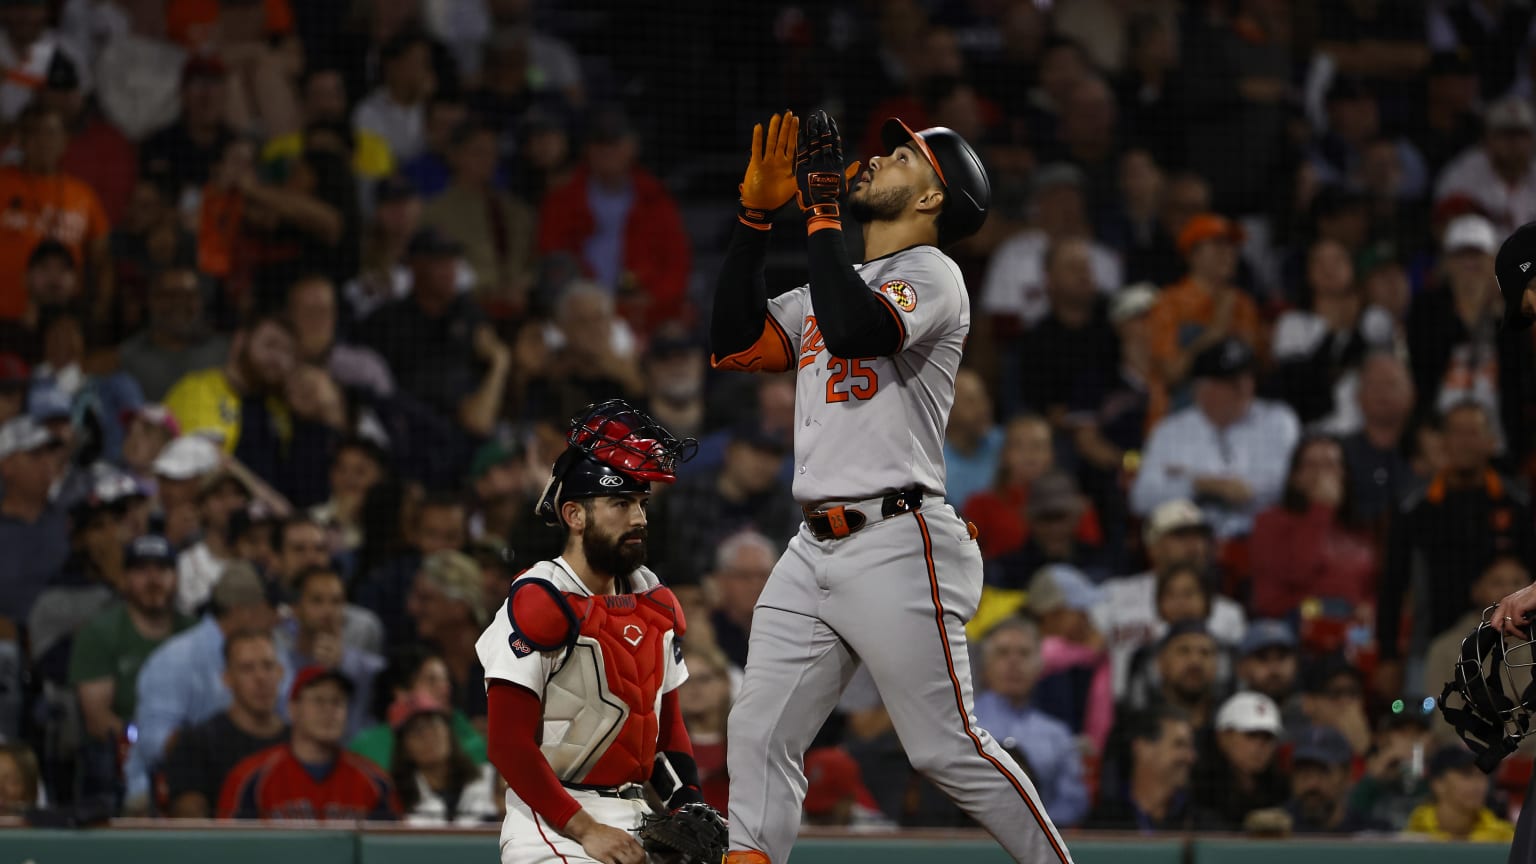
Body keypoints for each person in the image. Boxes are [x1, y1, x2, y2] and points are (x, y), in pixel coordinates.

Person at [709, 111, 1069, 863]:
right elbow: (735, 342)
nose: (878, 158)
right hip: (813, 549)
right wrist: (754, 217)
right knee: (758, 728)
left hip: (897, 538)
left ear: (932, 199)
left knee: (947, 751)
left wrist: (820, 214)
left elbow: (855, 331)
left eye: (904, 156)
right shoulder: (834, 282)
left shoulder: (933, 273)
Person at [475, 400, 705, 864]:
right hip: (557, 820)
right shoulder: (540, 599)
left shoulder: (655, 603)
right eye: (620, 503)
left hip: (638, 813)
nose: (638, 518)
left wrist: (688, 803)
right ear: (575, 516)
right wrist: (585, 829)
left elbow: (666, 731)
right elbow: (506, 743)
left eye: (641, 503)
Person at [1130, 338, 1300, 540]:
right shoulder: (1171, 431)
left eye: (1249, 379)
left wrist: (1249, 490)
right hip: (1196, 543)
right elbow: (1141, 499)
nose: (1245, 389)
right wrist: (1197, 486)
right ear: (1202, 389)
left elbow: (1295, 486)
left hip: (1264, 539)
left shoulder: (1278, 421)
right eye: (1233, 383)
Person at [219, 665, 400, 821]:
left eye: (337, 702)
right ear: (293, 710)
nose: (329, 711)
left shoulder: (374, 781)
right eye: (318, 701)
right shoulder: (251, 778)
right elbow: (228, 850)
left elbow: (391, 852)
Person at [68, 535, 193, 746]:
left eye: (163, 569)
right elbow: (98, 721)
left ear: (177, 577)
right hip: (126, 750)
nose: (153, 580)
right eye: (141, 570)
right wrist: (150, 742)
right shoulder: (98, 634)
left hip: (194, 751)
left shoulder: (195, 633)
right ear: (124, 578)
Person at [972, 617, 1089, 828]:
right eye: (1003, 653)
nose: (1014, 662)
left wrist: (1034, 828)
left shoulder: (1057, 734)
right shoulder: (963, 725)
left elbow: (1074, 800)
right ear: (984, 666)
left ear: (1039, 667)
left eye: (1024, 653)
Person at [162, 629, 288, 818]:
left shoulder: (301, 742)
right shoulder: (197, 742)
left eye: (268, 666)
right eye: (247, 668)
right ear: (227, 678)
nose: (261, 678)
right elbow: (190, 827)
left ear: (280, 673)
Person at [388, 692, 499, 826]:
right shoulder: (395, 797)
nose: (429, 736)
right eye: (417, 731)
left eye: (434, 725)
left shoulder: (490, 779)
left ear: (449, 732)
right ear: (404, 749)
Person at [1405, 747, 1515, 842]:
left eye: (1482, 775)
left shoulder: (1505, 838)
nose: (1478, 784)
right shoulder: (1411, 836)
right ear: (1438, 784)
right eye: (1467, 774)